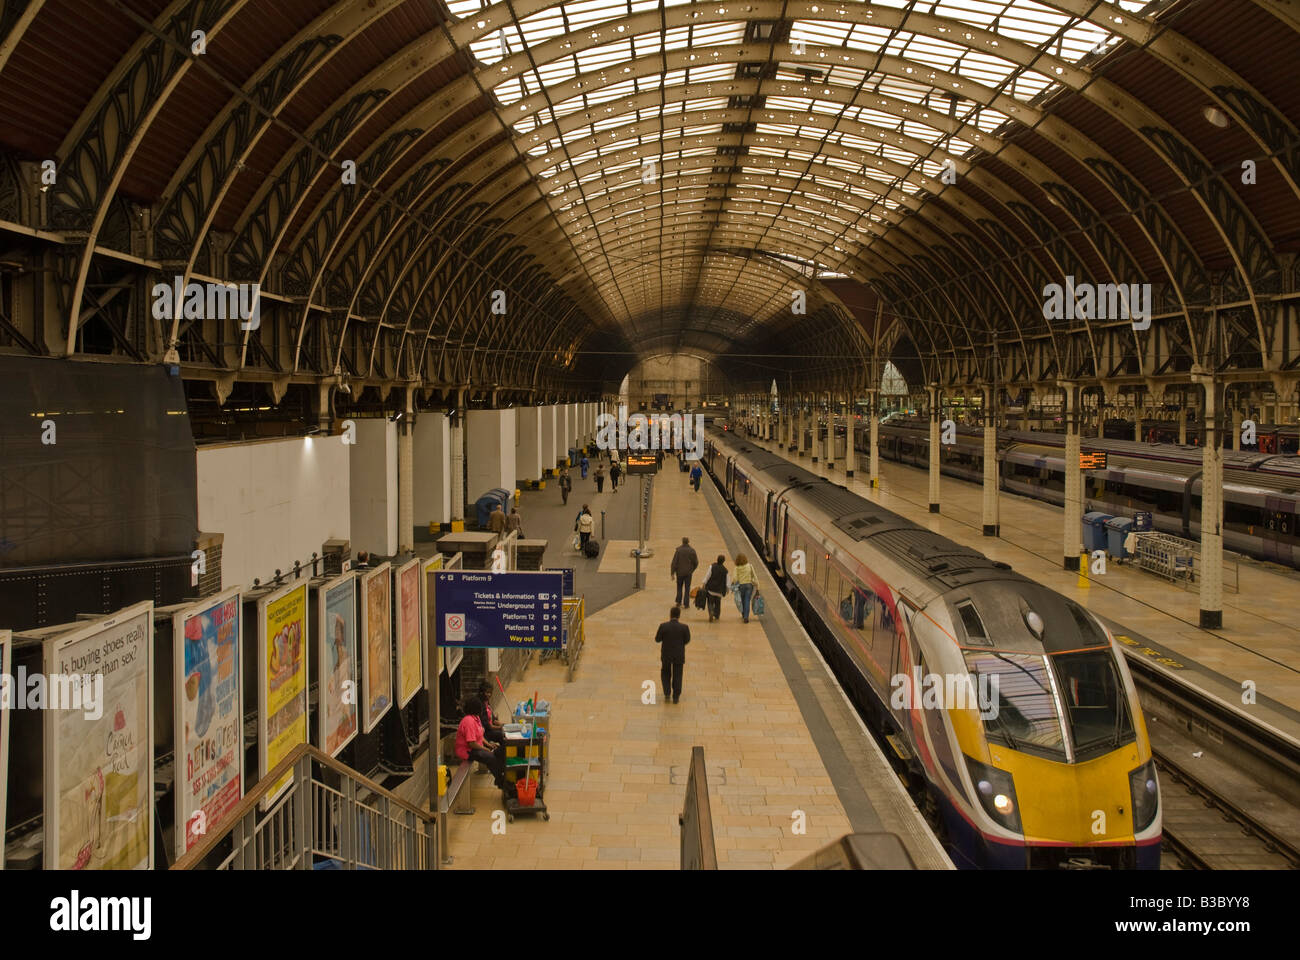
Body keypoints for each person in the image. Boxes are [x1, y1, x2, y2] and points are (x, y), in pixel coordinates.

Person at [456, 696, 506, 790]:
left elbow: (480, 736)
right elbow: (471, 743)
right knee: (490, 757)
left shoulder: (476, 718)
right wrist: (486, 749)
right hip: (467, 751)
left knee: (498, 752)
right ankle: (500, 781)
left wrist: (489, 744)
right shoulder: (468, 721)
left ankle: (502, 776)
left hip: (475, 747)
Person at [654, 606, 690, 704]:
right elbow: (687, 640)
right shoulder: (684, 627)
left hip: (666, 654)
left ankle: (667, 692)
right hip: (679, 655)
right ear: (679, 615)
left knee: (665, 672)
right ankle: (676, 696)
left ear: (670, 614)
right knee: (678, 674)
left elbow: (657, 639)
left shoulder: (663, 626)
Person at [670, 537, 698, 607]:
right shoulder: (692, 551)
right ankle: (686, 603)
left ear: (682, 542)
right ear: (688, 542)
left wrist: (672, 573)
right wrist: (692, 570)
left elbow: (674, 562)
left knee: (679, 587)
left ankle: (678, 602)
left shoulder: (678, 551)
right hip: (688, 573)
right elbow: (696, 562)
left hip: (680, 572)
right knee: (687, 588)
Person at [702, 554, 728, 622]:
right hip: (719, 591)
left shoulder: (712, 567)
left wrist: (704, 583)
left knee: (710, 602)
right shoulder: (725, 570)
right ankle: (716, 615)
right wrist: (727, 589)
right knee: (718, 603)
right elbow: (727, 581)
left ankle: (711, 612)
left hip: (711, 589)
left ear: (717, 559)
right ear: (724, 561)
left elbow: (708, 576)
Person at [733, 553, 757, 623]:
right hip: (749, 585)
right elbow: (754, 576)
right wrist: (757, 585)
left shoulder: (736, 568)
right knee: (747, 600)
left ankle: (743, 614)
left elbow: (735, 578)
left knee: (742, 600)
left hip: (741, 586)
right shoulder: (750, 566)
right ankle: (746, 616)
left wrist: (734, 583)